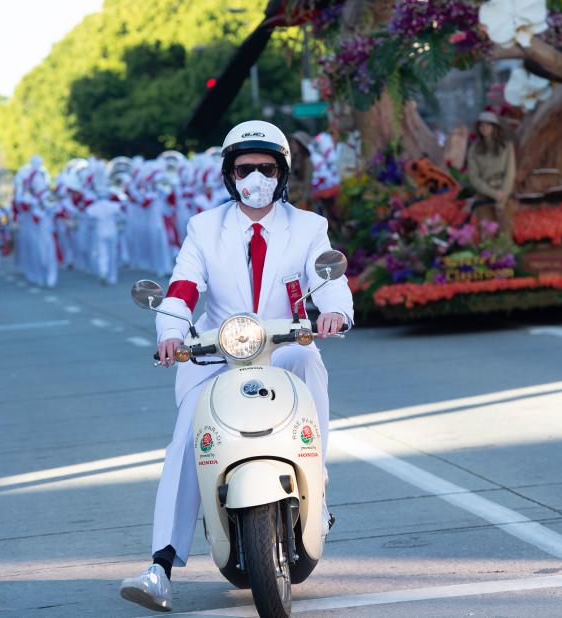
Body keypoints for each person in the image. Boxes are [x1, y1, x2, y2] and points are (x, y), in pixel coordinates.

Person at [119, 120, 353, 612]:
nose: (256, 178)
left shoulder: (308, 226)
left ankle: (319, 487)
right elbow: (184, 287)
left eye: (267, 168)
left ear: (282, 173)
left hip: (283, 341)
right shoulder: (205, 227)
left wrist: (334, 310)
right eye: (244, 169)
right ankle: (160, 564)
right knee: (188, 432)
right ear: (228, 175)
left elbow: (326, 275)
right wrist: (170, 333)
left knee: (309, 362)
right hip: (216, 347)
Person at [466, 110, 516, 236]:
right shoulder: (474, 149)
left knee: (505, 233)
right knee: (487, 234)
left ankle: (506, 255)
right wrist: (493, 194)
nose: (484, 128)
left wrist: (502, 198)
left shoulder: (507, 146)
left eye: (488, 125)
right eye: (481, 125)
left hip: (505, 193)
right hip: (484, 193)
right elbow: (474, 177)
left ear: (494, 127)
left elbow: (510, 172)